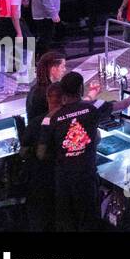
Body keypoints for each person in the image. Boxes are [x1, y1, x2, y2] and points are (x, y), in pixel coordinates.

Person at [41, 72, 103, 231]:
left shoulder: (50, 119)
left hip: (64, 179)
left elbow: (41, 153)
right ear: (80, 88)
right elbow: (119, 105)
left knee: (66, 222)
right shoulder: (91, 110)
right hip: (86, 177)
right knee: (88, 222)